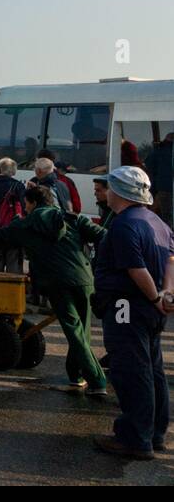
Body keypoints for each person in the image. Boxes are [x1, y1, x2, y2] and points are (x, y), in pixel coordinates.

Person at [0, 184, 107, 396]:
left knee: (74, 331)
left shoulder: (24, 225)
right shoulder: (73, 218)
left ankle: (97, 381)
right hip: (85, 280)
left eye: (27, 203)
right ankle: (76, 375)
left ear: (31, 203)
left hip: (57, 284)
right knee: (81, 331)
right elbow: (104, 236)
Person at [92, 166, 174, 459]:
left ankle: (134, 438)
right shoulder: (157, 222)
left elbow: (135, 268)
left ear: (119, 192)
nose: (106, 192)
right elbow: (171, 261)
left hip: (127, 306)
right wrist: (166, 295)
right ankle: (154, 434)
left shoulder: (124, 223)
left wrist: (154, 296)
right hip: (151, 310)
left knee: (130, 371)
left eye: (110, 187)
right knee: (152, 371)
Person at [145, 134, 174, 227]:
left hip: (164, 189)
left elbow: (149, 164)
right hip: (165, 187)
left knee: (167, 217)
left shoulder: (159, 150)